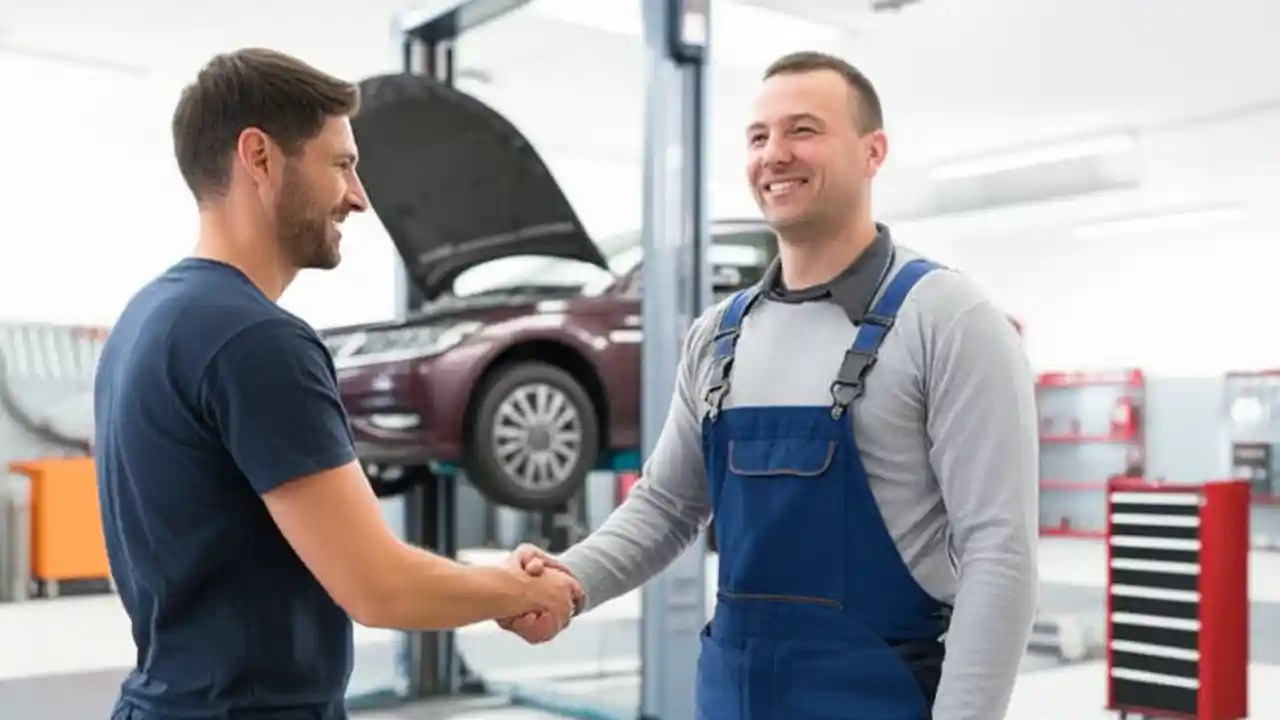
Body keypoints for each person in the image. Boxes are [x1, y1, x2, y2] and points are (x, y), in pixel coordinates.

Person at [500, 51, 1039, 719]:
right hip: (732, 693)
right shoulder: (717, 337)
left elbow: (1000, 552)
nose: (774, 155)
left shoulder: (951, 321)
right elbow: (666, 508)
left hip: (878, 698)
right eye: (759, 137)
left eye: (803, 130)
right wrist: (570, 580)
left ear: (874, 152)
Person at [92, 48, 581, 720]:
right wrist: (520, 590)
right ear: (259, 158)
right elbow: (378, 584)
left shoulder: (148, 318)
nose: (358, 197)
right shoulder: (257, 340)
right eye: (342, 164)